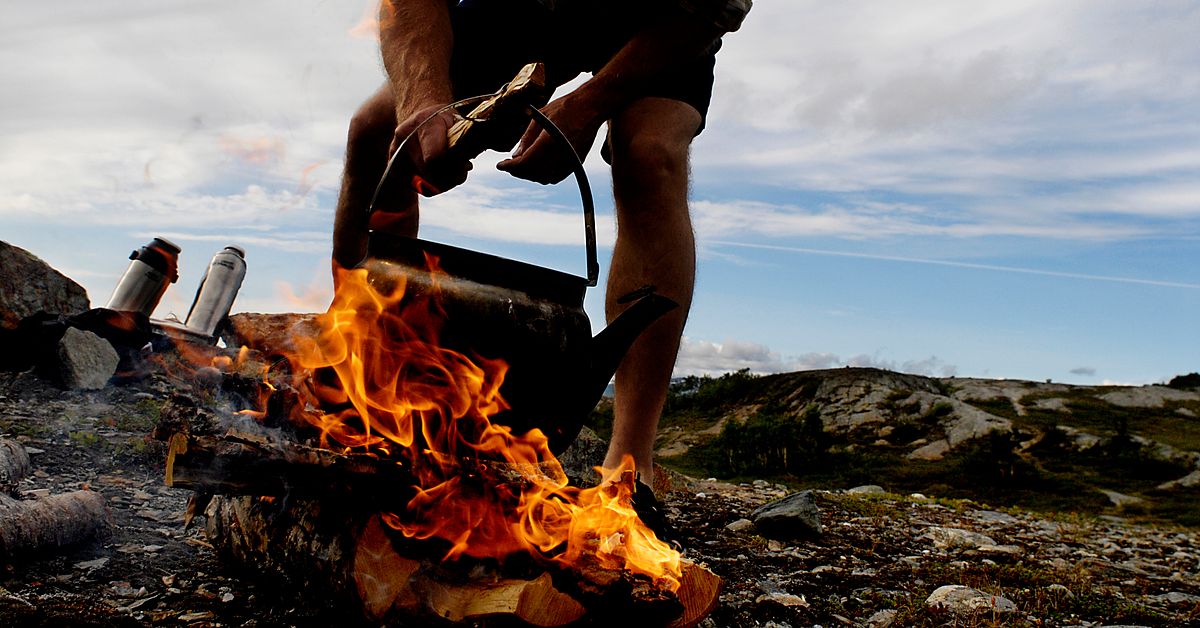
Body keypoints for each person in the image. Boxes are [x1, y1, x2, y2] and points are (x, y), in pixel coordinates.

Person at [332, 0, 751, 488]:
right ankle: (358, 375)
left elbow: (709, 9)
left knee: (649, 156)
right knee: (376, 132)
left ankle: (629, 465)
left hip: (659, 17)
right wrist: (424, 103)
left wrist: (587, 106)